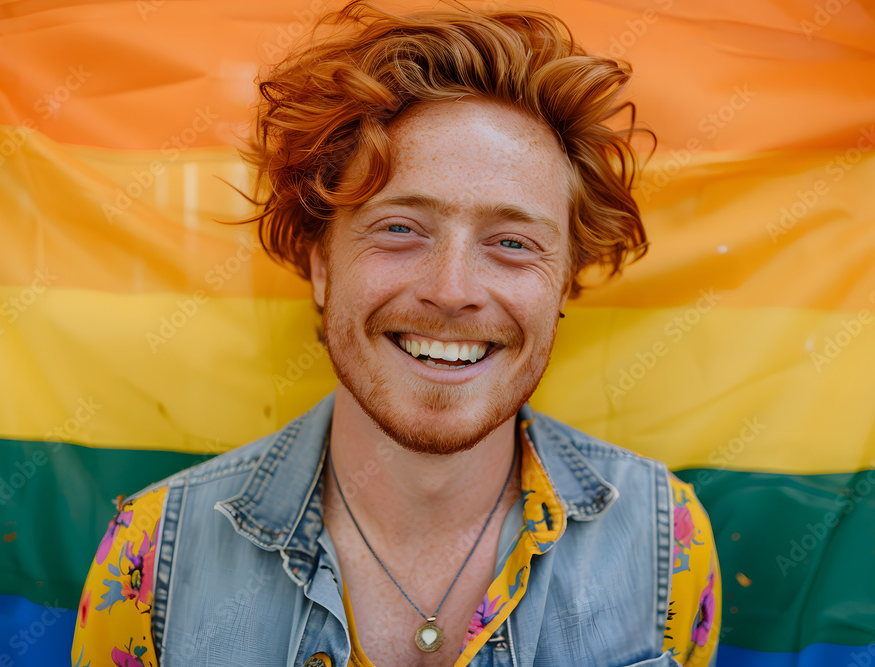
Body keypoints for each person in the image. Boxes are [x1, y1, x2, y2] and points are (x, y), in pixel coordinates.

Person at [72, 2, 720, 665]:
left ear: (561, 283)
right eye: (400, 228)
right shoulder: (149, 557)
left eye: (512, 242)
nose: (452, 288)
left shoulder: (668, 537)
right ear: (321, 265)